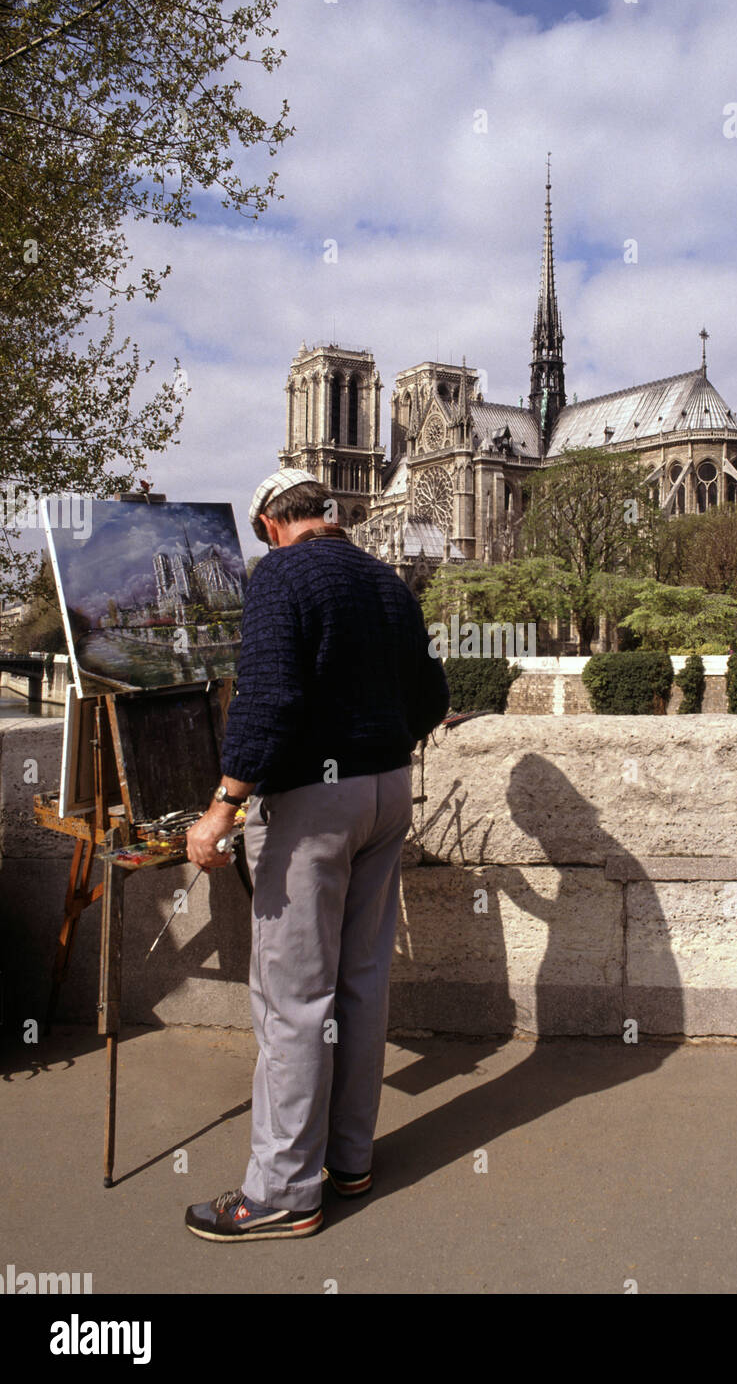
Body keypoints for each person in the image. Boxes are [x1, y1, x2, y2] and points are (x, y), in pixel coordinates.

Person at [183, 471, 449, 1241]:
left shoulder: (279, 575)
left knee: (293, 997)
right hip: (387, 793)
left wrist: (224, 804)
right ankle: (349, 1159)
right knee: (360, 980)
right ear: (326, 517)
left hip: (313, 805)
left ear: (271, 523)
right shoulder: (384, 580)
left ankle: (281, 1193)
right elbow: (430, 696)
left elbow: (266, 697)